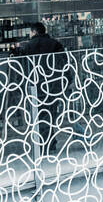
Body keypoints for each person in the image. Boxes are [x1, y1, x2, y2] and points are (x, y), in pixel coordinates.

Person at [17, 23, 68, 153]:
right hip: (53, 84)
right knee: (50, 113)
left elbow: (23, 67)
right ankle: (50, 141)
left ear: (34, 31)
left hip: (36, 85)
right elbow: (64, 62)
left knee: (39, 115)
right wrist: (67, 80)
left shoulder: (28, 46)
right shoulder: (55, 44)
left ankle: (42, 143)